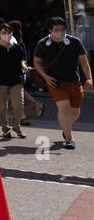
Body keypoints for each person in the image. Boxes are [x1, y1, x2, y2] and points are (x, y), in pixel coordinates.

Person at [32, 16, 90, 150]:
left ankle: (65, 128)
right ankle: (69, 139)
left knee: (75, 113)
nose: (60, 32)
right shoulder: (42, 43)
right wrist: (45, 77)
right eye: (56, 30)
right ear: (50, 30)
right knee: (63, 107)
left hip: (74, 81)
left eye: (63, 29)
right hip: (55, 82)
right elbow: (36, 62)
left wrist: (89, 78)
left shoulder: (75, 42)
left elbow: (84, 62)